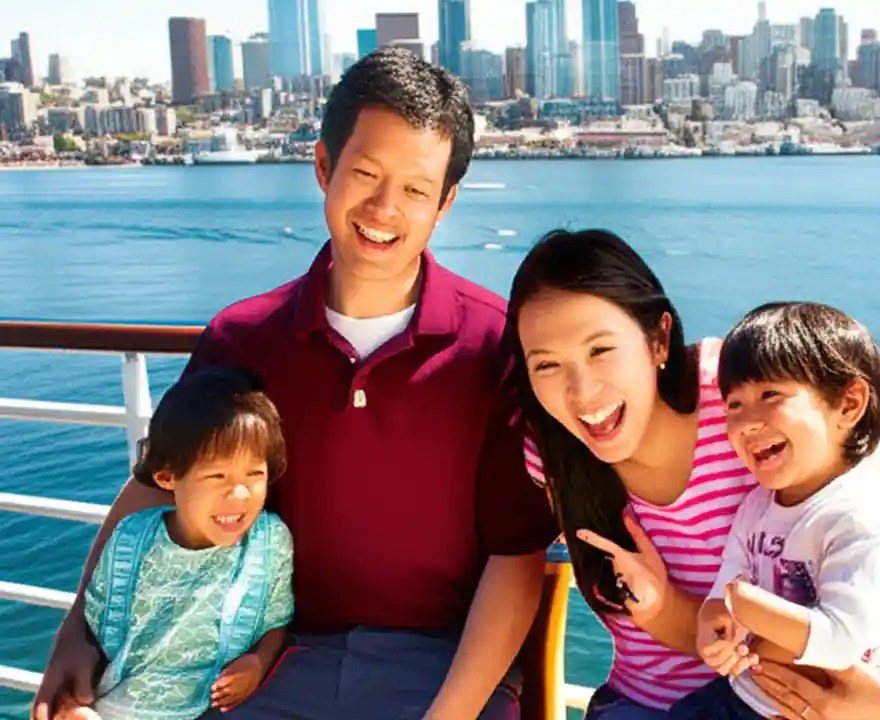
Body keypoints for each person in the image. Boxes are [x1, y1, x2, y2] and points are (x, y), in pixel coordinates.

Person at [32, 47, 558, 720]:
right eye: (365, 173)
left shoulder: (495, 346)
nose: (385, 208)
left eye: (416, 189)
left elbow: (516, 555)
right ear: (322, 167)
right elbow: (154, 481)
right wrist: (76, 632)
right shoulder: (243, 337)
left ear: (445, 202)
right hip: (273, 660)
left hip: (445, 666)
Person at [509, 229, 880, 719]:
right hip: (654, 705)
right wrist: (664, 610)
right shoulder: (553, 456)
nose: (582, 393)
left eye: (600, 350)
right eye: (547, 365)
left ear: (659, 339)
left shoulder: (743, 396)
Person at [668, 302, 880, 720]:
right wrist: (714, 617)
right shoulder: (759, 504)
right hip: (753, 696)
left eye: (769, 396)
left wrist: (744, 606)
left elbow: (844, 640)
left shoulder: (863, 517)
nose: (746, 422)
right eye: (734, 405)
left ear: (849, 404)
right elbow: (730, 573)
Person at [59, 366, 293, 720]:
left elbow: (277, 619)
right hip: (120, 703)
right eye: (217, 476)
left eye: (255, 474)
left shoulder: (269, 540)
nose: (240, 494)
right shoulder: (132, 539)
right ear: (168, 477)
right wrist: (77, 693)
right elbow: (100, 624)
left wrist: (257, 663)